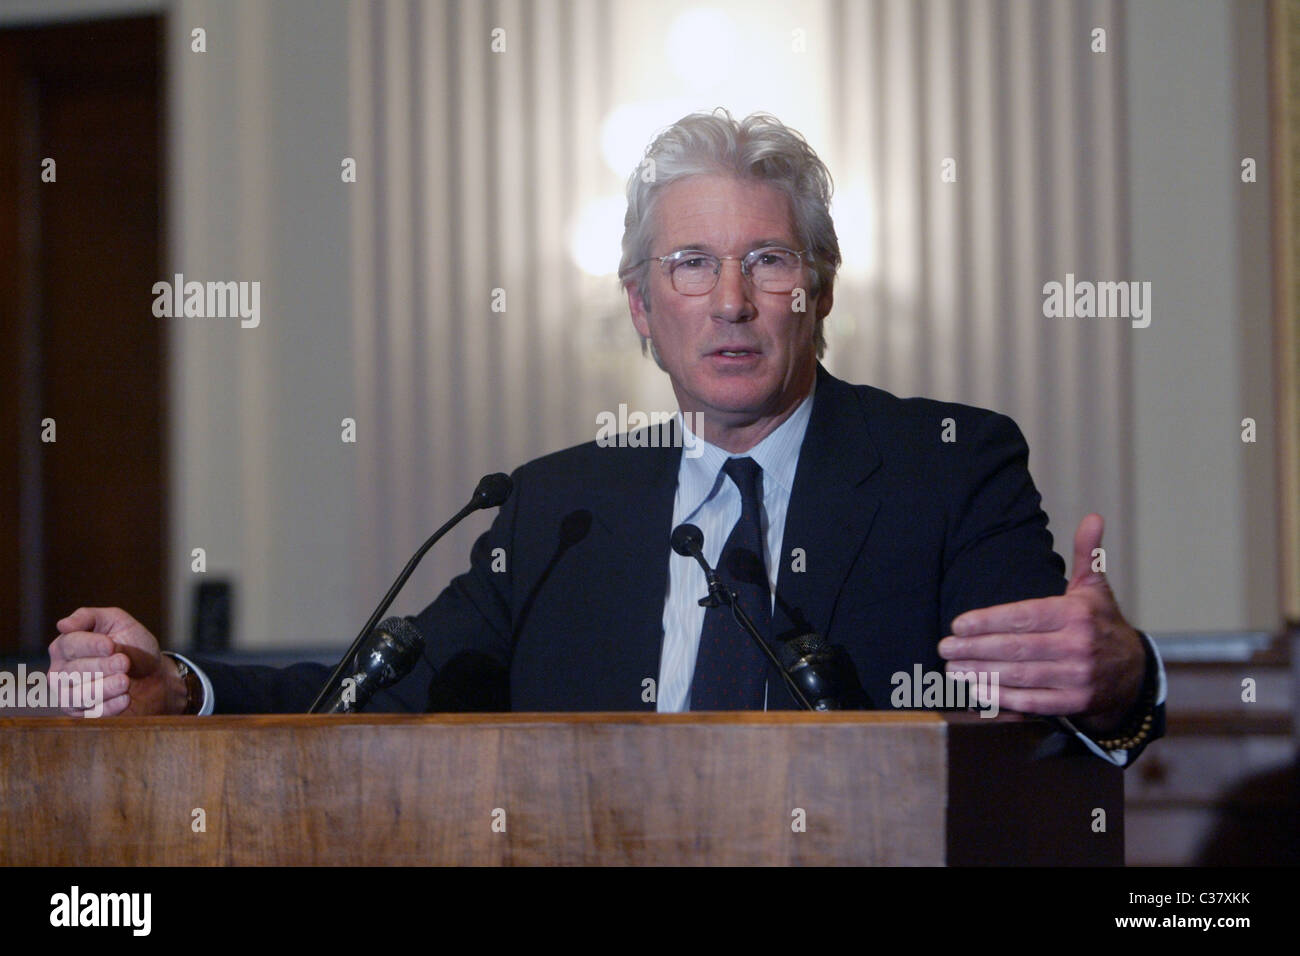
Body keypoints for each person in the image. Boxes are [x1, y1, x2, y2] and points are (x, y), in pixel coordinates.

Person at [48, 110, 1165, 765]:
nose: (729, 299)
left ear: (816, 292)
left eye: (767, 260)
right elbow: (378, 684)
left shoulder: (945, 466)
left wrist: (1119, 679)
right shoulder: (560, 507)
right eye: (689, 264)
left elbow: (1036, 722)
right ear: (642, 308)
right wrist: (186, 689)